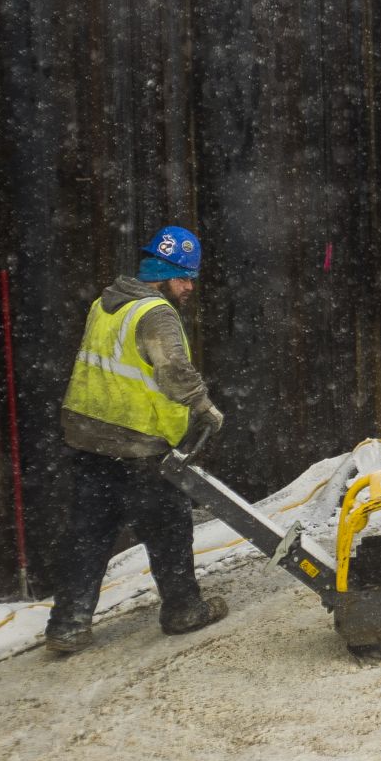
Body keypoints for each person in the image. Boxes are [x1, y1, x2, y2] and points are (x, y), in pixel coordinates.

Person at [45, 226, 229, 654]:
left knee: (87, 532)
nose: (188, 287)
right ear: (162, 274)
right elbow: (172, 371)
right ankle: (183, 609)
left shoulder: (105, 304)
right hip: (137, 444)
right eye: (184, 278)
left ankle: (67, 624)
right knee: (167, 526)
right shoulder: (155, 313)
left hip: (90, 439)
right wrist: (203, 406)